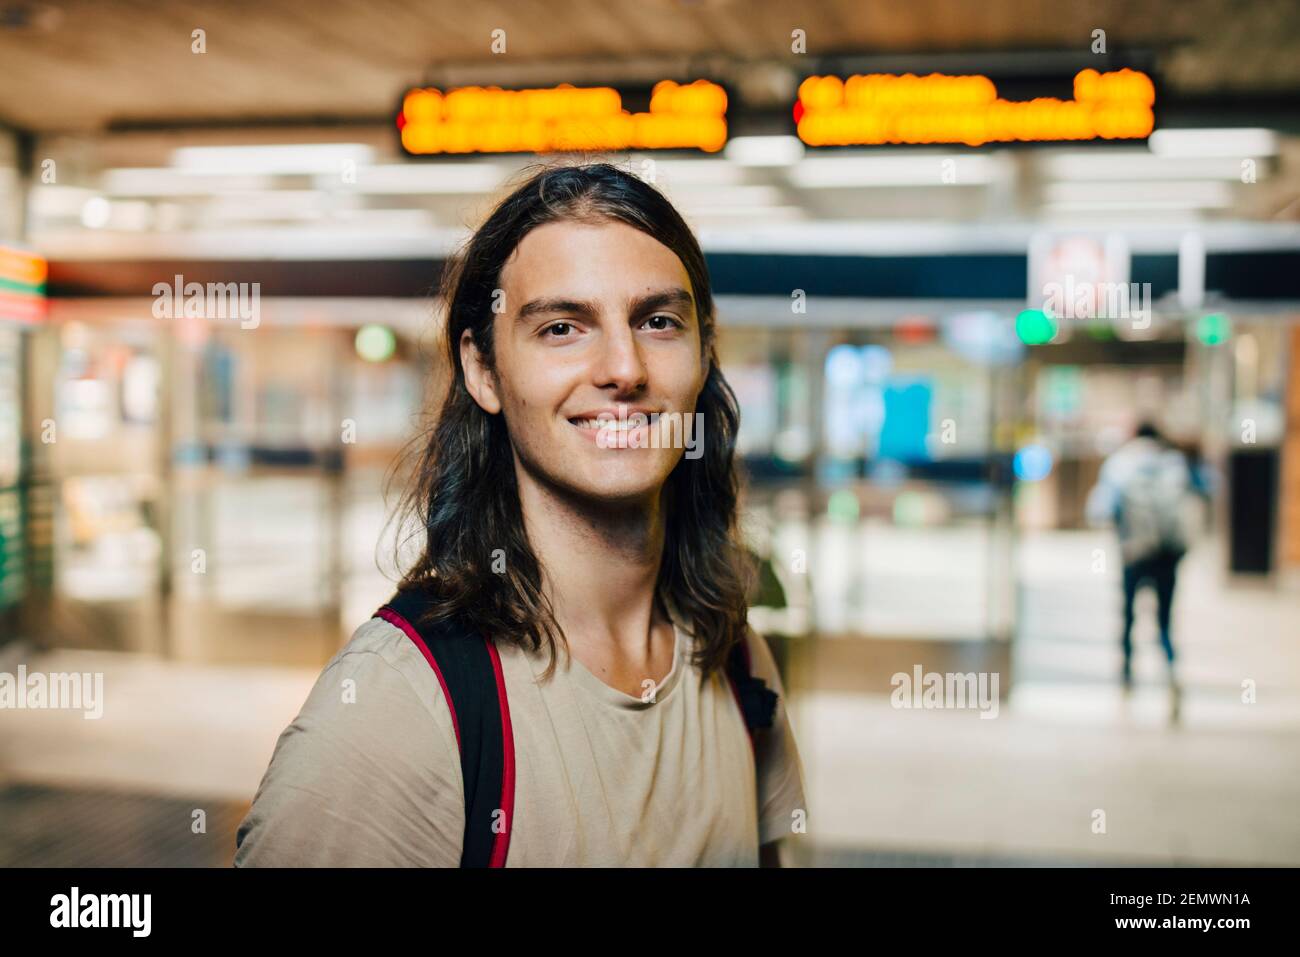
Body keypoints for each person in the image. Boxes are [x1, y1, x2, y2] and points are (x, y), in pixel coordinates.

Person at [234, 162, 807, 867]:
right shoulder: (398, 710)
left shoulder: (738, 661)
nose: (624, 368)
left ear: (703, 350)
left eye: (658, 321)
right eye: (563, 327)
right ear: (482, 370)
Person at [1086, 421, 1196, 719]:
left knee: (1129, 615)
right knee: (1164, 619)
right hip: (1168, 554)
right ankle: (1171, 672)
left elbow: (1100, 509)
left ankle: (1126, 677)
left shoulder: (1120, 464)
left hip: (1134, 552)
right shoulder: (1174, 463)